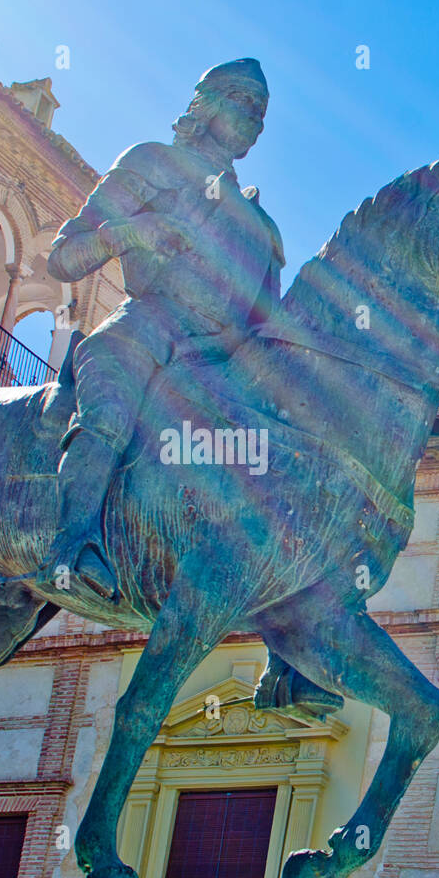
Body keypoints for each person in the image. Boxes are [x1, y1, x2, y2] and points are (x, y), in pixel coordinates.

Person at [45, 58, 284, 599]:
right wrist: (135, 231)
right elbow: (64, 258)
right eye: (244, 100)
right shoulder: (153, 161)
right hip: (148, 327)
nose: (255, 118)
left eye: (261, 111)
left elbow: (271, 329)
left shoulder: (263, 228)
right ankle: (69, 547)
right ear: (207, 103)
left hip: (223, 360)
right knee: (109, 409)